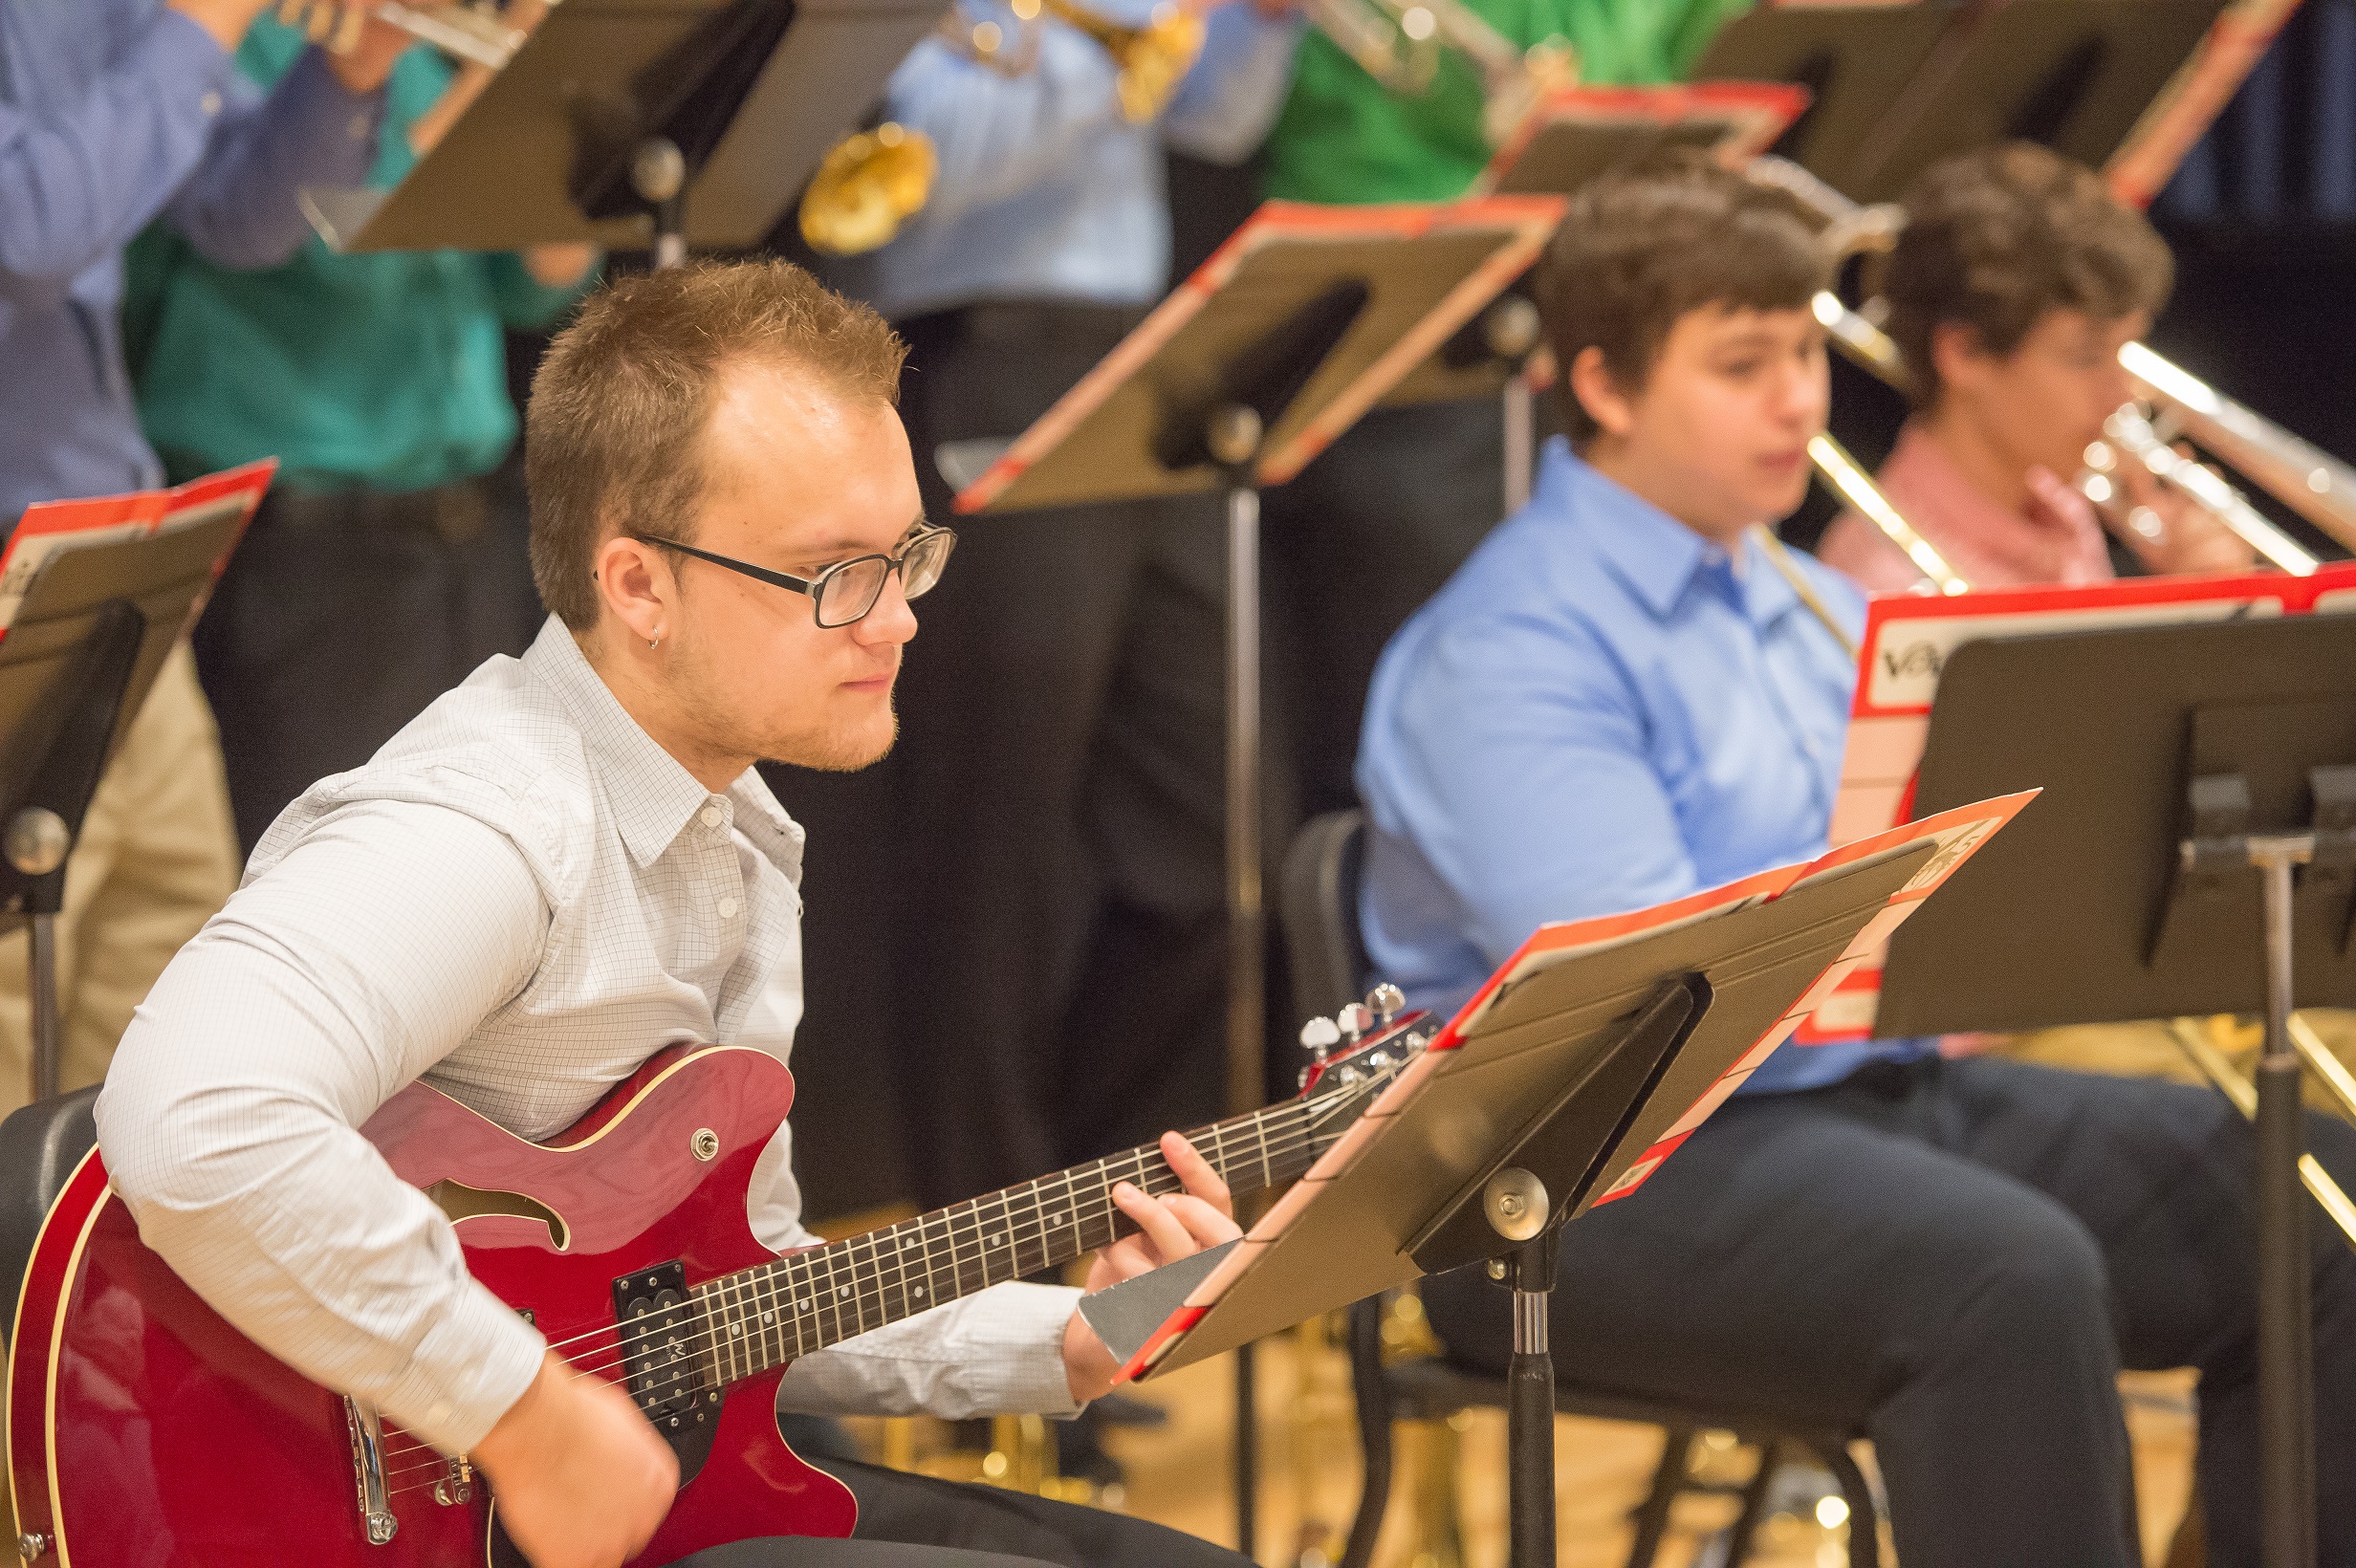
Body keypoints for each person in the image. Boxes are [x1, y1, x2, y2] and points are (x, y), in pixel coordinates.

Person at [96, 258, 1253, 1568]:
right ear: (638, 586)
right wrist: (519, 1413)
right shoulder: (490, 832)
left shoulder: (736, 828)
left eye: (907, 558)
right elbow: (194, 1118)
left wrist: (1065, 1343)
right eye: (834, 573)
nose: (896, 623)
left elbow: (729, 1296)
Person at [1354, 155, 2356, 1568]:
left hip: (1849, 1095)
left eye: (1805, 354)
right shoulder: (1507, 648)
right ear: (1605, 388)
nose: (1798, 403)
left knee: (2314, 1195)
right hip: (1572, 1183)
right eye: (1742, 364)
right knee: (2008, 1276)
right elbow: (1653, 1011)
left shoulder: (1800, 590)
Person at [810, 0, 1303, 1209]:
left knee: (1221, 831)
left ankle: (1106, 1209)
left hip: (1144, 348)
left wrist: (1255, 27)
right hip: (978, 345)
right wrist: (1129, 37)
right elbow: (928, 160)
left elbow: (1222, 119)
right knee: (998, 850)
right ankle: (987, 1255)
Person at [0, 0, 402, 1111]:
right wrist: (210, 15)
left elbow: (239, 216)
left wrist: (349, 76)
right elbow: (31, 233)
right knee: (10, 1023)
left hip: (112, 550)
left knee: (171, 1008)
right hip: (17, 566)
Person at [1254, 0, 1753, 822]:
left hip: (1587, 283)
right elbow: (1532, 84)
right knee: (1438, 701)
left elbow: (1662, 59)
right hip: (1390, 288)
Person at [123, 10, 598, 853]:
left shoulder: (411, 48)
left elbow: (524, 293)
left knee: (507, 861)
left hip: (472, 529)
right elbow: (326, 237)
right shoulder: (226, 38)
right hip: (313, 554)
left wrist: (564, 139)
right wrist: (507, 82)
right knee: (352, 873)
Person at [1816, 142, 2254, 593]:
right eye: (2086, 358)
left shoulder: (2058, 502)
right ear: (1965, 354)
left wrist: (2188, 592)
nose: (2121, 397)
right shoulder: (1884, 581)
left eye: (2122, 353)